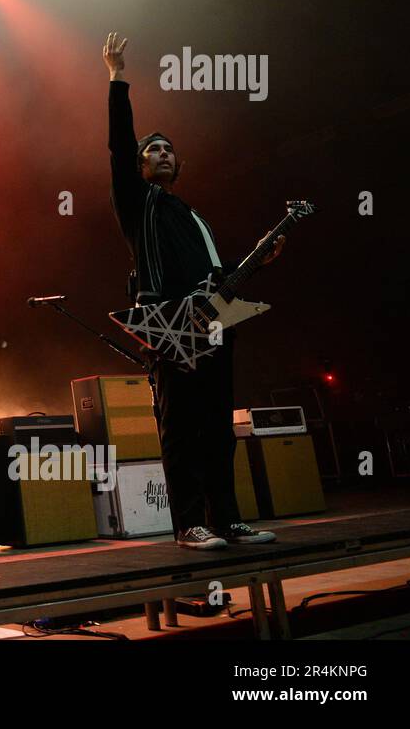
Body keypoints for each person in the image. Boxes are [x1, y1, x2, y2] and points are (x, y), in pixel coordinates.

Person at [103, 31, 284, 550]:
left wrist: (257, 264)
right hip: (169, 324)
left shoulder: (193, 217)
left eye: (168, 150)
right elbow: (118, 144)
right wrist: (117, 79)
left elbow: (217, 280)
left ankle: (226, 519)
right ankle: (188, 524)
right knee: (180, 428)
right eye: (152, 150)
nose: (161, 153)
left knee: (218, 429)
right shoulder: (140, 205)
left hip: (214, 324)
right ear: (140, 167)